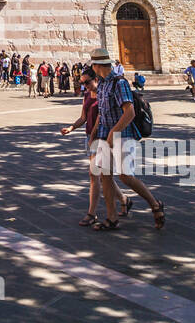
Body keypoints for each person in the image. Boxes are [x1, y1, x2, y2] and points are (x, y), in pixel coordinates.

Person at [89, 48, 164, 231]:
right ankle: (112, 218)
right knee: (105, 175)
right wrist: (95, 132)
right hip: (106, 135)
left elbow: (129, 112)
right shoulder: (102, 84)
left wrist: (113, 133)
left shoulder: (119, 83)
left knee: (125, 176)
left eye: (92, 64)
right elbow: (102, 111)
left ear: (97, 65)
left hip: (123, 135)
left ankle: (155, 204)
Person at [61, 66, 101, 225]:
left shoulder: (103, 95)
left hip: (100, 138)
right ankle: (124, 200)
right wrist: (71, 128)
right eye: (82, 82)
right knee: (104, 177)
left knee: (94, 175)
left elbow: (102, 118)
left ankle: (92, 213)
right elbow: (83, 117)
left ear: (96, 79)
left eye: (87, 82)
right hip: (89, 137)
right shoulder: (86, 95)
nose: (84, 85)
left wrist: (93, 136)